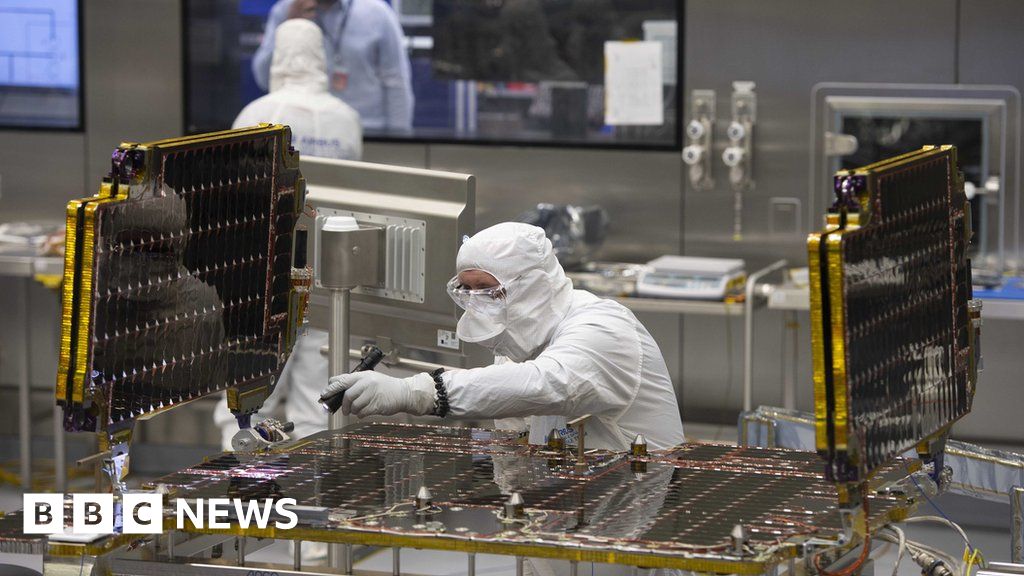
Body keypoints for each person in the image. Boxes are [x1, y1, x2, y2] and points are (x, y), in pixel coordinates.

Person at [321, 222, 685, 452]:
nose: (475, 301)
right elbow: (516, 451)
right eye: (466, 290)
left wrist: (414, 392)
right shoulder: (517, 349)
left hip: (641, 518)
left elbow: (545, 383)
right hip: (570, 518)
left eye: (486, 289)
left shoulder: (603, 327)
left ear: (532, 285)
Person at [214, 17, 359, 453]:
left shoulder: (258, 113)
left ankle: (245, 481)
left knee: (251, 390)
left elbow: (231, 196)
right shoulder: (347, 118)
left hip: (264, 271)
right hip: (328, 268)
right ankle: (306, 482)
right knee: (318, 390)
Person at [252, 0, 414, 133]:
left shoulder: (377, 13)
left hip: (368, 131)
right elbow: (263, 79)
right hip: (305, 131)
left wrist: (399, 139)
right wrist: (290, 25)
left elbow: (396, 81)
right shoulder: (286, 10)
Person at [235, 18, 362, 160]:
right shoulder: (348, 119)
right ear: (320, 53)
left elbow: (234, 168)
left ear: (278, 55)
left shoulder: (253, 115)